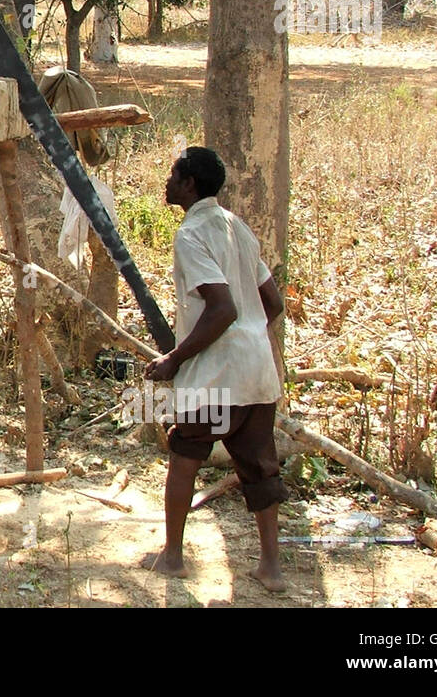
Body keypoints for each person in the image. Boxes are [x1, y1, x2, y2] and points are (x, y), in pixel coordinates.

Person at [142, 146, 289, 592]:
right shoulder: (236, 228)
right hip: (257, 371)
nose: (167, 182)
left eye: (173, 176)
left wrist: (174, 358)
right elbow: (273, 303)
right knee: (260, 466)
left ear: (189, 185)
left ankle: (172, 556)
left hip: (216, 377)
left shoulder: (191, 235)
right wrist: (251, 339)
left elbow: (221, 308)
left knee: (186, 455)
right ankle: (271, 567)